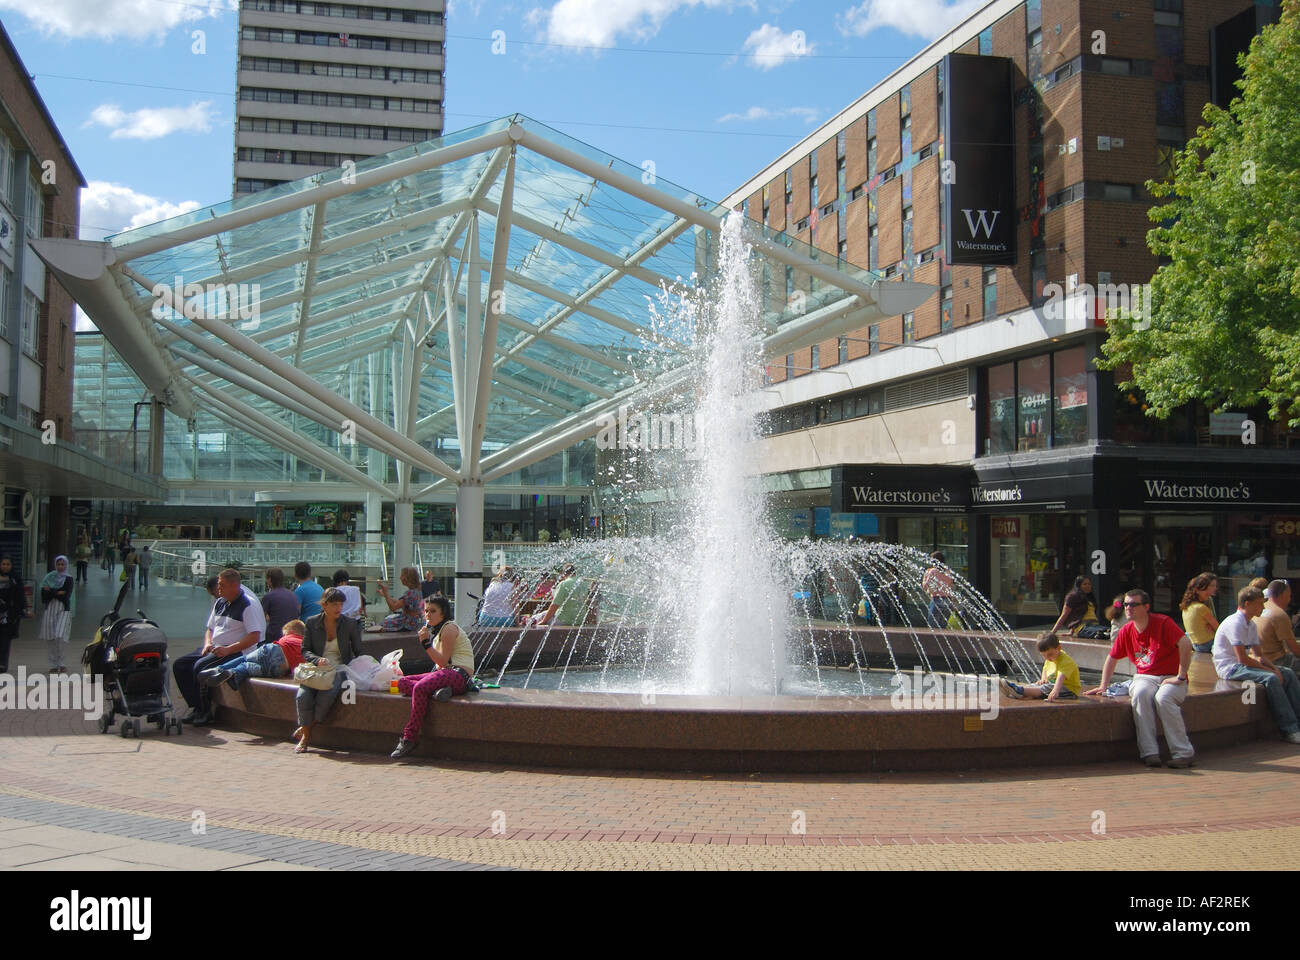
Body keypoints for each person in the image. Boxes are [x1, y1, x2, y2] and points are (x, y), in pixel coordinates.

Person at [1083, 588, 1195, 768]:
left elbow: (1185, 643)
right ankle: (1150, 753)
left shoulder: (1163, 623)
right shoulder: (1127, 630)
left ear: (1146, 607)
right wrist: (1103, 685)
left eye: (1134, 604)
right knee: (1141, 694)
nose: (1128, 608)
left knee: (1163, 698)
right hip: (1145, 676)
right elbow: (1112, 657)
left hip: (1171, 676)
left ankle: (1183, 753)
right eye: (1126, 604)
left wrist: (1181, 676)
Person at [172, 568, 266, 726]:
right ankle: (195, 706)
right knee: (180, 665)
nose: (219, 588)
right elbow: (210, 628)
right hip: (215, 648)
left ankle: (205, 710)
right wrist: (207, 643)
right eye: (218, 584)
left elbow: (254, 636)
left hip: (234, 651)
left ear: (234, 586)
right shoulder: (220, 602)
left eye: (222, 585)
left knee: (200, 667)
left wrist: (228, 649)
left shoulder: (247, 605)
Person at [1211, 585, 1300, 744]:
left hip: (1242, 664)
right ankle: (1290, 729)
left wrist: (1274, 668)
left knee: (1288, 673)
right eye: (1259, 603)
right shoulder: (1235, 623)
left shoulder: (1251, 624)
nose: (1262, 607)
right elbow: (1242, 659)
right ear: (1247, 604)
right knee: (1271, 679)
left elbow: (1258, 655)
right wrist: (1271, 673)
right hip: (1230, 668)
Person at [390, 595, 475, 759]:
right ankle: (441, 691)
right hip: (443, 675)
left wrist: (425, 644)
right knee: (402, 683)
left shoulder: (449, 628)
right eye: (426, 611)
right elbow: (439, 665)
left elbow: (443, 661)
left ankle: (409, 738)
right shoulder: (437, 632)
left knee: (421, 688)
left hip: (458, 675)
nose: (428, 614)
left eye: (433, 611)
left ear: (443, 614)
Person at [293, 588, 364, 753]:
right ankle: (306, 729)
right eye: (334, 604)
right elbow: (305, 650)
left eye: (341, 604)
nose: (338, 608)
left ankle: (306, 734)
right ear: (324, 605)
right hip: (317, 669)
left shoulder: (350, 624)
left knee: (327, 695)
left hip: (339, 669)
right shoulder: (311, 622)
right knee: (302, 697)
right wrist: (317, 660)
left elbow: (359, 651)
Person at [202, 618, 306, 690]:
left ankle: (219, 669)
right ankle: (234, 674)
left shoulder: (291, 637)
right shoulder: (305, 645)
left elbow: (281, 645)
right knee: (248, 668)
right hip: (281, 668)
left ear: (291, 631)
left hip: (273, 651)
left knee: (245, 658)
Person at [999, 632, 1081, 701]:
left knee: (1047, 688)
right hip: (1053, 686)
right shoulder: (1051, 658)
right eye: (1044, 655)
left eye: (1049, 654)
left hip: (1069, 691)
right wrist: (1043, 678)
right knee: (1036, 685)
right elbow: (1045, 668)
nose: (1047, 658)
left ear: (1058, 648)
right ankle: (1017, 692)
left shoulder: (1066, 661)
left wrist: (1055, 690)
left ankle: (1019, 690)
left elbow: (1061, 677)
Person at [38, 556, 75, 674]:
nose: (60, 567)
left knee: (60, 635)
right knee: (50, 637)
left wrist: (51, 591)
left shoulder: (69, 579)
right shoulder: (49, 577)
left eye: (62, 564)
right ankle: (53, 664)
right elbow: (44, 595)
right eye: (58, 564)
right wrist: (56, 592)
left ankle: (62, 663)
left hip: (63, 609)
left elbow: (65, 595)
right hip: (50, 609)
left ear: (66, 565)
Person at [1256, 580, 1300, 671]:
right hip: (1275, 661)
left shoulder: (1259, 608)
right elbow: (1295, 650)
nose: (1290, 599)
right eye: (1289, 595)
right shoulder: (1279, 614)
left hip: (1257, 658)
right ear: (1283, 594)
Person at [0, 556, 29, 673]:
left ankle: (2, 664)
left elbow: (20, 596)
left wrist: (24, 609)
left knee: (5, 641)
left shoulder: (15, 579)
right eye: (3, 564)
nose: (5, 566)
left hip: (9, 615)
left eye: (8, 564)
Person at [1179, 573, 1219, 653]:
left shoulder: (1186, 607)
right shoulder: (1201, 607)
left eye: (1215, 586)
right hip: (1207, 644)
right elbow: (1218, 628)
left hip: (1195, 644)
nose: (1214, 589)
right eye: (1211, 586)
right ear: (1197, 590)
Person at [375, 566, 424, 631]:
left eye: (402, 575)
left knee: (380, 625)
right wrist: (385, 595)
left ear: (407, 578)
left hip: (407, 623)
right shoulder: (417, 591)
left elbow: (393, 607)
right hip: (414, 622)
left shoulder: (409, 593)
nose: (400, 578)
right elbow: (399, 603)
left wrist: (386, 593)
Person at [261, 567, 301, 643]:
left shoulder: (269, 597)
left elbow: (260, 618)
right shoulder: (293, 595)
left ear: (269, 580)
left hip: (275, 637)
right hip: (292, 636)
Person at [921, 551, 955, 629]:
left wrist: (926, 575)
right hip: (948, 600)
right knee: (943, 627)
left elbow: (926, 585)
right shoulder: (948, 571)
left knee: (934, 628)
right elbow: (951, 585)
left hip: (937, 599)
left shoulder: (932, 571)